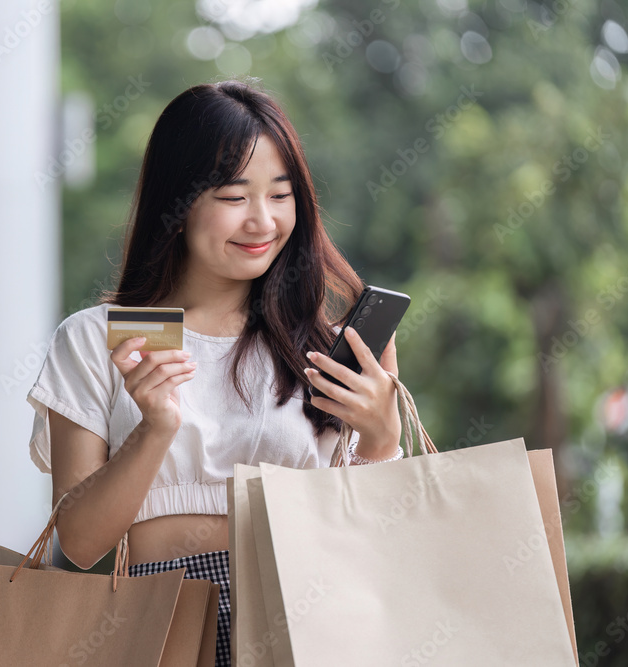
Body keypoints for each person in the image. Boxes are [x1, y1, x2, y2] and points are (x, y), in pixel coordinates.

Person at [25, 78, 404, 667]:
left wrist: (381, 439)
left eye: (280, 195)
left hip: (303, 616)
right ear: (176, 204)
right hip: (158, 619)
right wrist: (154, 429)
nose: (262, 221)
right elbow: (77, 543)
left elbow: (365, 537)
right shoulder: (102, 337)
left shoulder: (314, 346)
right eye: (233, 197)